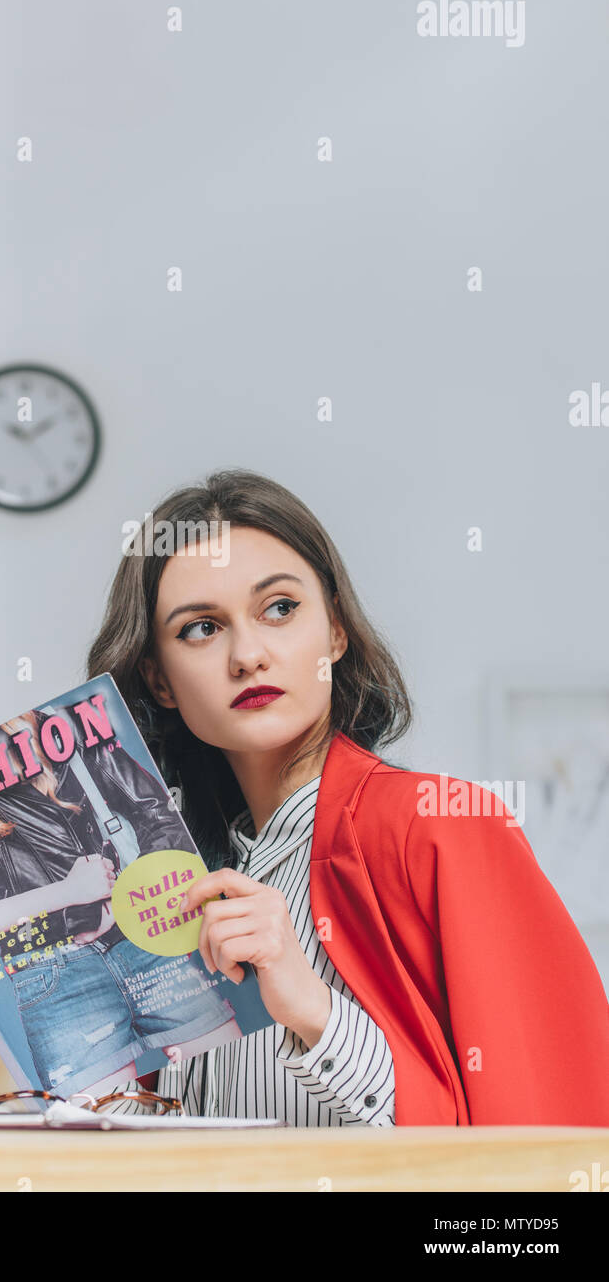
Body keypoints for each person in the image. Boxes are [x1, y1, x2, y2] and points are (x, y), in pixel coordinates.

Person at [85, 467, 609, 1125]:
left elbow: (535, 1134)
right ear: (159, 681)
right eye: (201, 628)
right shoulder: (167, 886)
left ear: (334, 632)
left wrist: (311, 1008)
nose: (248, 655)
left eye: (279, 608)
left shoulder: (441, 827)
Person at [0, 708, 236, 1096]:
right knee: (96, 1149)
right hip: (52, 977)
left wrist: (124, 906)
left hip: (145, 948)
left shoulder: (63, 726)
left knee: (227, 1100)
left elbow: (160, 817)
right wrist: (68, 897)